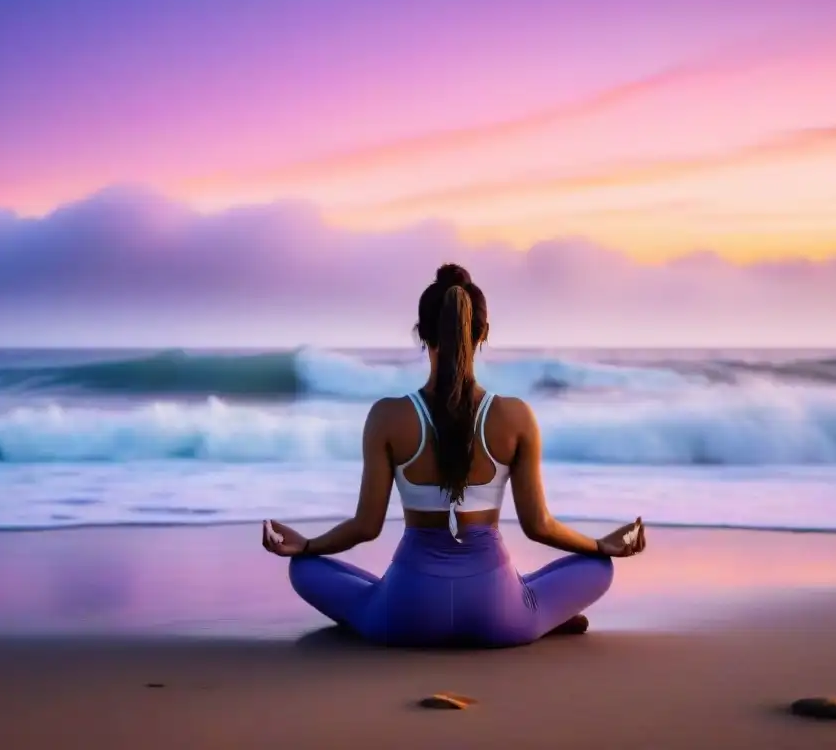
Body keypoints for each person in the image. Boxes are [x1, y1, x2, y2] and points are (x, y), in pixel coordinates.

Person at [262, 263, 646, 647]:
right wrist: (600, 546)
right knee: (598, 567)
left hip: (406, 614)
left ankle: (381, 610)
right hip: (498, 615)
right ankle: (538, 613)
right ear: (483, 335)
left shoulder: (387, 416)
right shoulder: (515, 416)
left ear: (421, 334)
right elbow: (539, 525)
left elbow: (366, 527)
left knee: (305, 569)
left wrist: (309, 545)